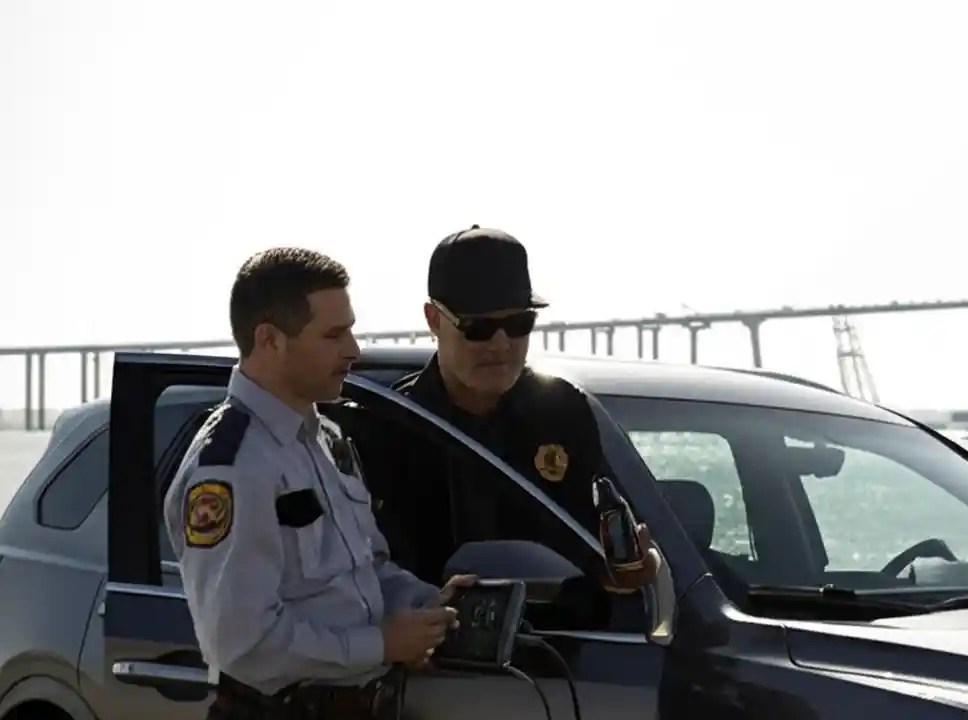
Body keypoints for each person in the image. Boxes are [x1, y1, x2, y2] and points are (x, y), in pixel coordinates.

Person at [163, 247, 474, 720]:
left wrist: (430, 606)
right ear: (269, 341)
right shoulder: (229, 467)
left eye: (350, 329)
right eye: (333, 334)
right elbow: (243, 644)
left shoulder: (325, 440)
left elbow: (365, 570)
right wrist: (382, 643)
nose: (354, 350)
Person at [365, 225, 658, 620]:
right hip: (434, 657)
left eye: (519, 323)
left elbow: (593, 542)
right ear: (434, 320)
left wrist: (625, 572)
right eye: (478, 328)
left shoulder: (563, 412)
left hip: (566, 655)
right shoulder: (386, 427)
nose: (501, 344)